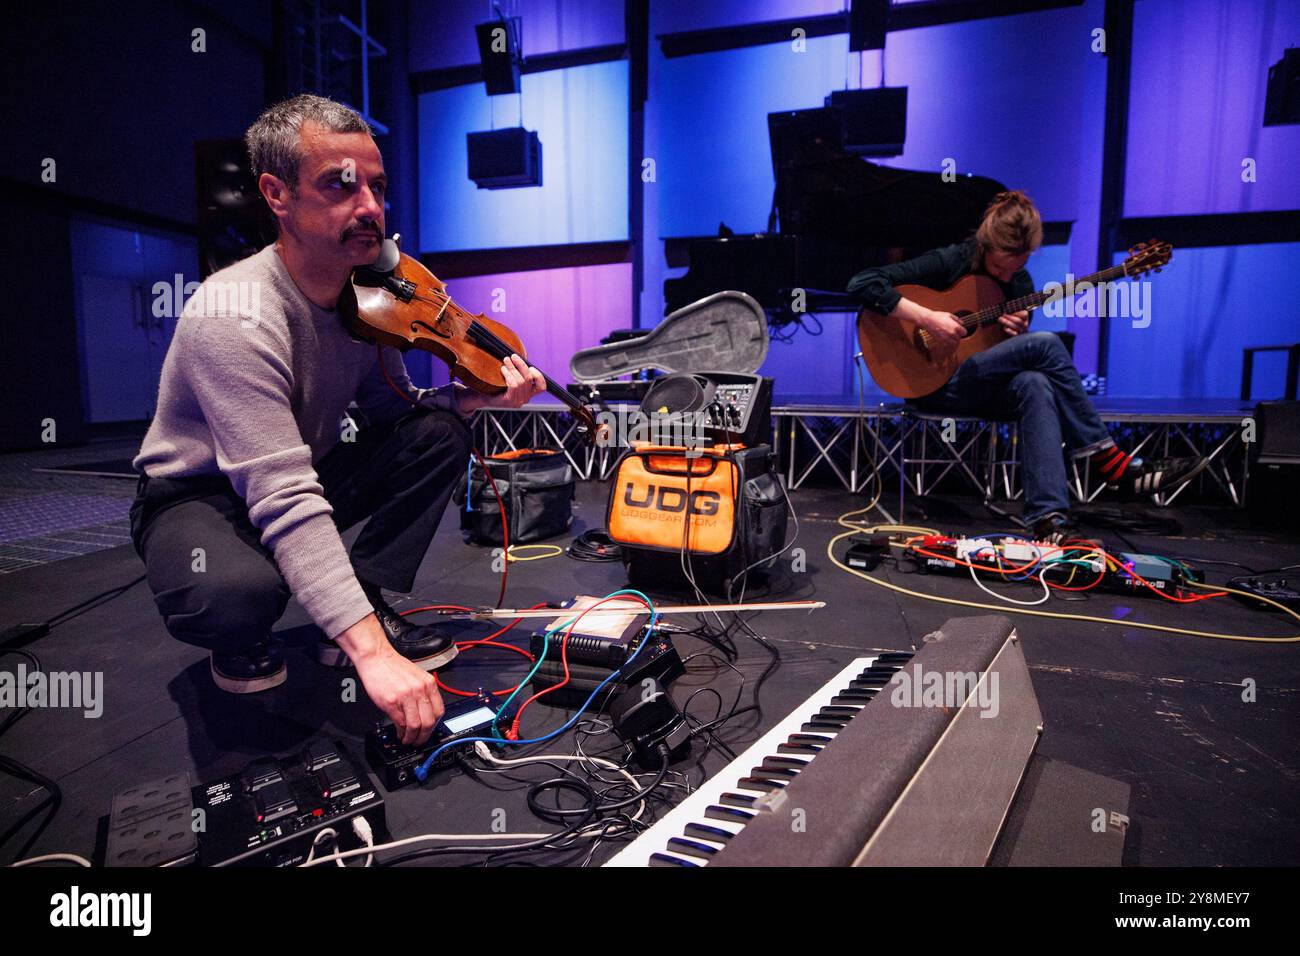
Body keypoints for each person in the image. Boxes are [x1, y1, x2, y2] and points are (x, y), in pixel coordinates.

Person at [130, 94, 545, 745]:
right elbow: (282, 492)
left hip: (302, 467)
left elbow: (396, 419)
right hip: (201, 494)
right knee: (239, 595)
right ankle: (251, 635)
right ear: (277, 194)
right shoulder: (234, 313)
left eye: (377, 187)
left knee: (437, 433)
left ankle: (363, 603)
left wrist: (477, 401)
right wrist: (374, 657)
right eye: (340, 186)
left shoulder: (369, 297)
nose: (371, 208)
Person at [847, 190, 1206, 543]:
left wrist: (1017, 332)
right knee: (1047, 344)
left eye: (1015, 267)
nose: (1007, 276)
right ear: (985, 246)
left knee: (1035, 381)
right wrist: (929, 317)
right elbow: (862, 283)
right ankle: (1109, 461)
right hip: (933, 384)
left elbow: (1005, 356)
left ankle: (1049, 520)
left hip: (979, 386)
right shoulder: (952, 260)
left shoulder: (1019, 284)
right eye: (1000, 266)